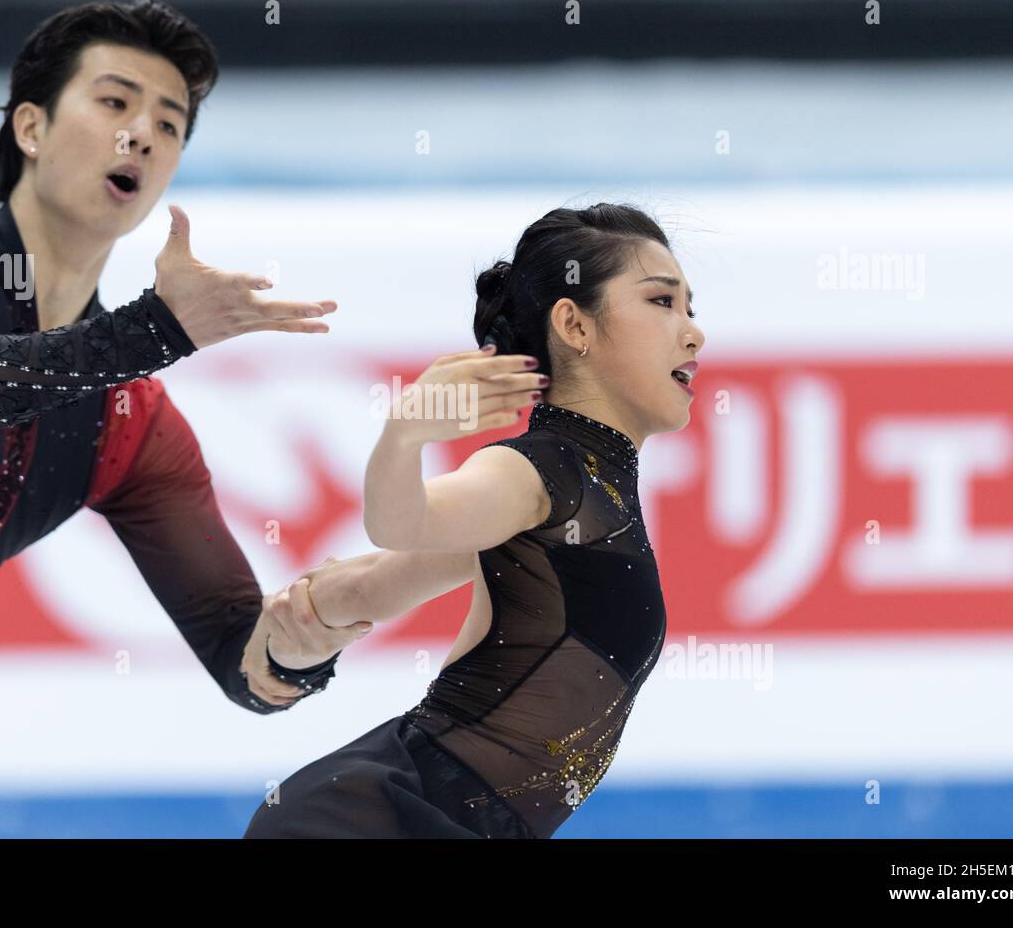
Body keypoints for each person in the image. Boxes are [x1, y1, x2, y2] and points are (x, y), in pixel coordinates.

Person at [0, 0, 365, 838]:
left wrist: (300, 646)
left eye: (169, 123)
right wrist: (153, 329)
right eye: (114, 102)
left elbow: (240, 655)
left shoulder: (127, 425)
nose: (144, 135)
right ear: (31, 129)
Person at [244, 203, 706, 838]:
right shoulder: (537, 475)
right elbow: (403, 524)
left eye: (691, 309)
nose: (692, 332)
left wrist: (297, 638)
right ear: (573, 324)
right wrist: (405, 436)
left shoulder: (584, 499)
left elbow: (377, 580)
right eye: (662, 302)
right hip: (374, 822)